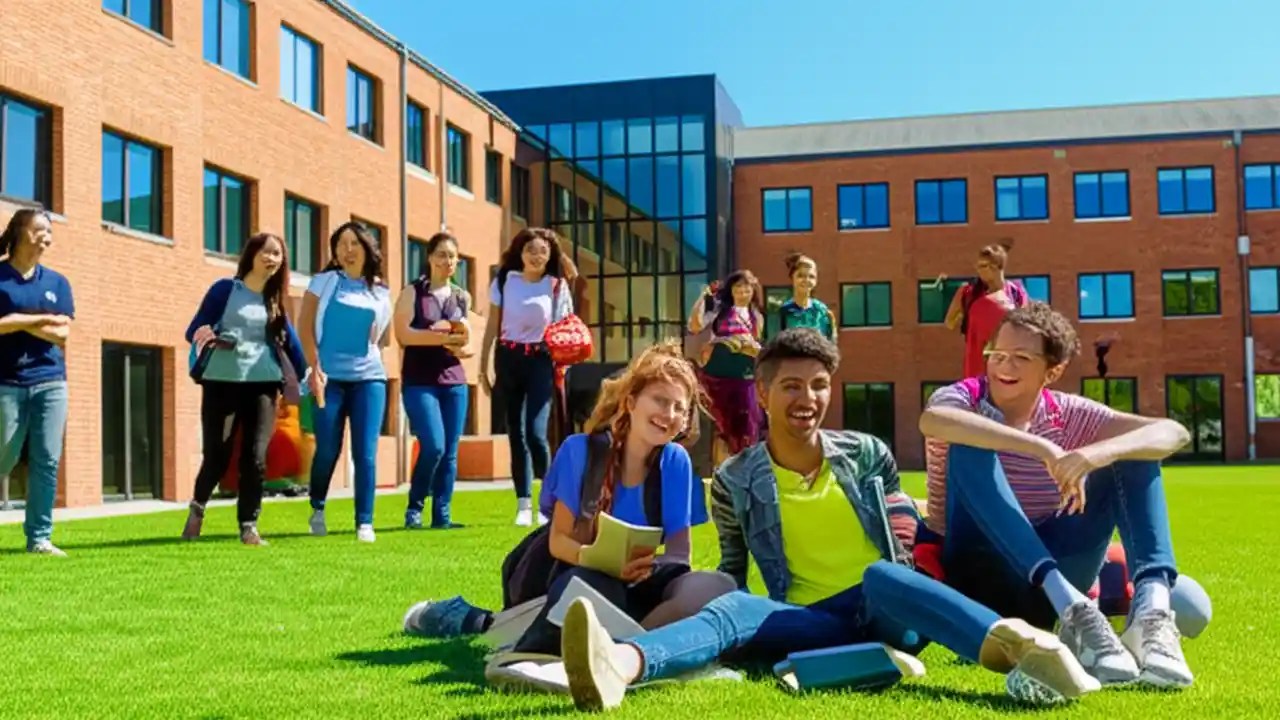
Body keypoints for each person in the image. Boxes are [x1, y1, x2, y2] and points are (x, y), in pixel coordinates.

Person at [559, 329, 1098, 711]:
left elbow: (904, 552)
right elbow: (734, 566)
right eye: (791, 386)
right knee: (732, 605)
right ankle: (621, 666)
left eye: (819, 385)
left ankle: (1025, 651)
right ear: (764, 394)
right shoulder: (734, 479)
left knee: (881, 576)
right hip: (808, 621)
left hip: (890, 606)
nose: (807, 398)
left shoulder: (868, 454)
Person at [920, 302, 1197, 689]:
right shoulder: (963, 399)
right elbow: (934, 421)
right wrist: (1041, 448)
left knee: (1133, 452)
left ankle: (1150, 615)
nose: (1004, 367)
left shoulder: (1067, 413)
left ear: (1053, 371)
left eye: (1021, 358)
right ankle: (1073, 609)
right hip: (979, 571)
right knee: (968, 443)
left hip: (1054, 574)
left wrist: (1095, 453)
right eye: (997, 355)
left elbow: (1172, 432)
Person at [402, 342, 733, 650]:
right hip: (573, 571)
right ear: (631, 402)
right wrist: (610, 565)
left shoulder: (675, 462)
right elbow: (559, 542)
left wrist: (645, 567)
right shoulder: (581, 452)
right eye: (660, 400)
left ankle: (627, 651)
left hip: (638, 581)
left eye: (680, 408)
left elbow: (678, 556)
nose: (670, 414)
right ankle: (482, 624)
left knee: (717, 586)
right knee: (591, 591)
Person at [182, 233, 307, 545]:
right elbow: (193, 330)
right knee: (217, 455)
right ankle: (197, 510)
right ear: (251, 254)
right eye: (266, 252)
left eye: (277, 254)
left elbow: (292, 345)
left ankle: (249, 524)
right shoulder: (225, 290)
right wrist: (215, 336)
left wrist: (309, 375)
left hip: (263, 384)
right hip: (221, 382)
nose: (272, 258)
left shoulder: (274, 300)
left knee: (256, 456)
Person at [298, 222, 393, 543]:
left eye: (354, 243)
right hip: (329, 379)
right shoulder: (323, 282)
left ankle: (364, 522)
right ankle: (318, 507)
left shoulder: (381, 291)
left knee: (365, 452)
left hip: (370, 379)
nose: (347, 250)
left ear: (367, 249)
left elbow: (383, 339)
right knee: (327, 450)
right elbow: (305, 329)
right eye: (341, 244)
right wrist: (314, 369)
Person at [479, 227, 574, 527]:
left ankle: (548, 504)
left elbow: (566, 328)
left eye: (543, 251)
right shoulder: (506, 281)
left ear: (550, 256)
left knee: (535, 432)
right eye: (530, 250)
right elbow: (492, 324)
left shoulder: (556, 286)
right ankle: (523, 503)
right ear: (520, 253)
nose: (536, 256)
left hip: (541, 361)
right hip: (508, 358)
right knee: (515, 433)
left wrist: (563, 365)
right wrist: (484, 364)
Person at [0, 209, 74, 556]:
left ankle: (39, 538)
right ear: (19, 232)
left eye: (49, 231)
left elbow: (63, 334)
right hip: (6, 381)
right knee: (4, 456)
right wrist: (42, 318)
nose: (45, 236)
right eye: (38, 229)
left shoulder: (57, 283)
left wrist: (16, 320)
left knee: (47, 459)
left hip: (50, 381)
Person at [395, 231, 473, 530]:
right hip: (419, 382)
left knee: (450, 452)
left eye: (452, 256)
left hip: (454, 381)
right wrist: (440, 337)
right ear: (429, 257)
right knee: (434, 445)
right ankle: (414, 507)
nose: (447, 261)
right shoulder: (413, 292)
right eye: (441, 254)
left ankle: (442, 515)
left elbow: (470, 344)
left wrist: (460, 347)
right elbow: (404, 336)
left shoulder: (461, 297)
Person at [687, 270, 765, 465]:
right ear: (731, 290)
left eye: (746, 287)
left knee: (747, 428)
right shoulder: (720, 312)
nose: (742, 291)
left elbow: (759, 348)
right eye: (737, 287)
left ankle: (744, 471)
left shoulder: (757, 317)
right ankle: (720, 472)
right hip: (718, 378)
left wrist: (752, 348)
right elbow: (694, 326)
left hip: (745, 378)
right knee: (721, 429)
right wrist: (702, 298)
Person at [943, 240, 1029, 378]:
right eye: (977, 267)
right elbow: (949, 323)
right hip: (976, 366)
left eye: (983, 266)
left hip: (1007, 367)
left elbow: (1025, 326)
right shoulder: (968, 293)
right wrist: (968, 314)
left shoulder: (1016, 292)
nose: (979, 271)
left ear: (997, 267)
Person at [776, 252, 835, 339]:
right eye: (801, 276)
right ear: (792, 277)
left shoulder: (822, 311)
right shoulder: (784, 311)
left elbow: (830, 344)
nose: (806, 280)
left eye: (811, 276)